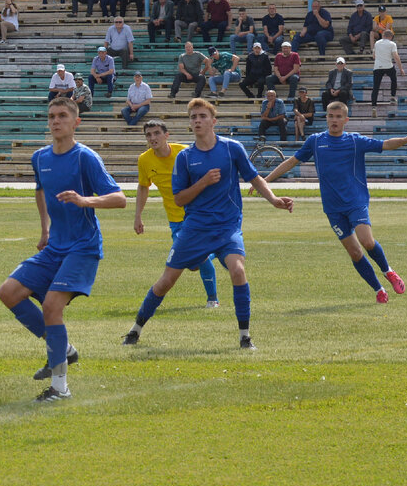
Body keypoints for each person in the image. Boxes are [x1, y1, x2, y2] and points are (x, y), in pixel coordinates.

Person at [122, 99, 293, 350]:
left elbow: (254, 178)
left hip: (227, 227)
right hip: (195, 228)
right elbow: (179, 199)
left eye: (202, 116)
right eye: (193, 117)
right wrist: (202, 183)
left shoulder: (232, 148)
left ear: (214, 121)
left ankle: (245, 336)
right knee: (166, 281)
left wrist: (275, 199)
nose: (197, 120)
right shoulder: (185, 157)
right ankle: (135, 330)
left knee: (238, 271)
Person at [0, 97, 125, 401]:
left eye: (63, 116)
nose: (56, 121)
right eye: (52, 116)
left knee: (52, 306)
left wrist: (86, 200)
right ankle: (63, 348)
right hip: (55, 247)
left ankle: (60, 388)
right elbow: (41, 191)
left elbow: (119, 198)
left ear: (76, 122)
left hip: (83, 247)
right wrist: (44, 228)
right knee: (8, 293)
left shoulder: (86, 158)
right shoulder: (40, 157)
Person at [262, 103, 407, 303]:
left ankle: (388, 271)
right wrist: (265, 180)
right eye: (331, 116)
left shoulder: (355, 141)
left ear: (345, 120)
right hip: (332, 207)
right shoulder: (316, 141)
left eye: (338, 116)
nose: (334, 120)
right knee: (355, 252)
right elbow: (292, 161)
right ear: (327, 118)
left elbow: (384, 144)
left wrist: (406, 140)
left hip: (356, 201)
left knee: (366, 241)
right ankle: (379, 290)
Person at [134, 119, 220, 308]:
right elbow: (143, 187)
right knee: (192, 263)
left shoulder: (184, 152)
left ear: (167, 135)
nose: (152, 138)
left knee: (199, 258)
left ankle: (213, 299)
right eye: (148, 135)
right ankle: (214, 250)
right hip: (174, 219)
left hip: (197, 215)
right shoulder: (145, 160)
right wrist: (138, 216)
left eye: (157, 133)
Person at [371, 28, 403, 112]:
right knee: (393, 79)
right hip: (388, 66)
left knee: (376, 87)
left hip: (378, 67)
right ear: (391, 36)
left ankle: (374, 106)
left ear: (383, 35)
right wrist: (401, 69)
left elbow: (374, 56)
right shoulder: (392, 44)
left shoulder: (377, 43)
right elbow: (396, 57)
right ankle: (392, 96)